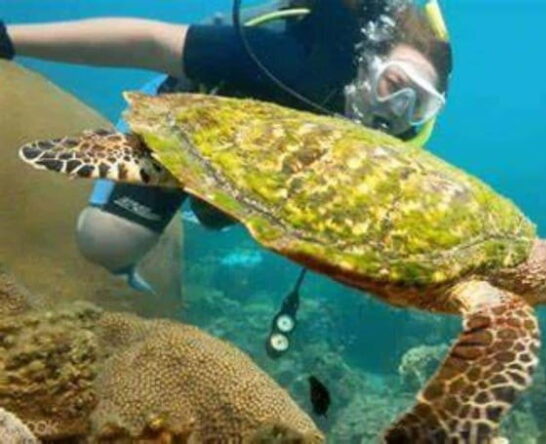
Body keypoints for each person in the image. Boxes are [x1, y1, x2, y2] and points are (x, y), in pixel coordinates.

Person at [0, 0, 452, 355]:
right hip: (197, 113)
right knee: (105, 243)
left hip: (258, 165)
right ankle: (137, 141)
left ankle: (188, 213)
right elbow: (150, 41)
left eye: (420, 104)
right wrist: (9, 39)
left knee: (214, 218)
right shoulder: (290, 60)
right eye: (396, 84)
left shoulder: (395, 142)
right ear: (369, 62)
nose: (398, 111)